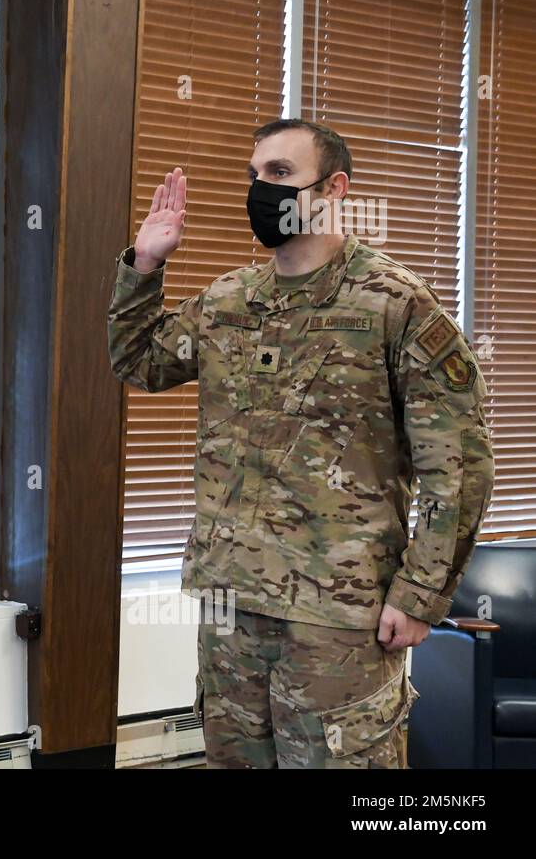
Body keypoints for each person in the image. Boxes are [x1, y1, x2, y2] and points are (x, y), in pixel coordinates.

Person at [107, 119, 495, 768]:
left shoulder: (394, 305)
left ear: (334, 187)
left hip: (340, 617)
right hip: (231, 606)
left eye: (281, 174)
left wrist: (422, 593)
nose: (262, 188)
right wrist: (146, 264)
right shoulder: (231, 299)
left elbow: (458, 464)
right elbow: (141, 363)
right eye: (255, 174)